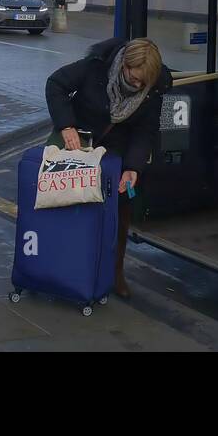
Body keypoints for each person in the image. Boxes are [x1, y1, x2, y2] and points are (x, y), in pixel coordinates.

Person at [45, 37, 172, 299]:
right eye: (133, 79)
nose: (137, 86)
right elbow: (55, 84)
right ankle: (63, 268)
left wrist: (134, 167)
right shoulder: (96, 66)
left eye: (142, 83)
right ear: (124, 65)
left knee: (118, 213)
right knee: (71, 207)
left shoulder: (156, 87)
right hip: (80, 145)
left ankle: (114, 273)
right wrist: (66, 125)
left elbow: (146, 131)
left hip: (118, 154)